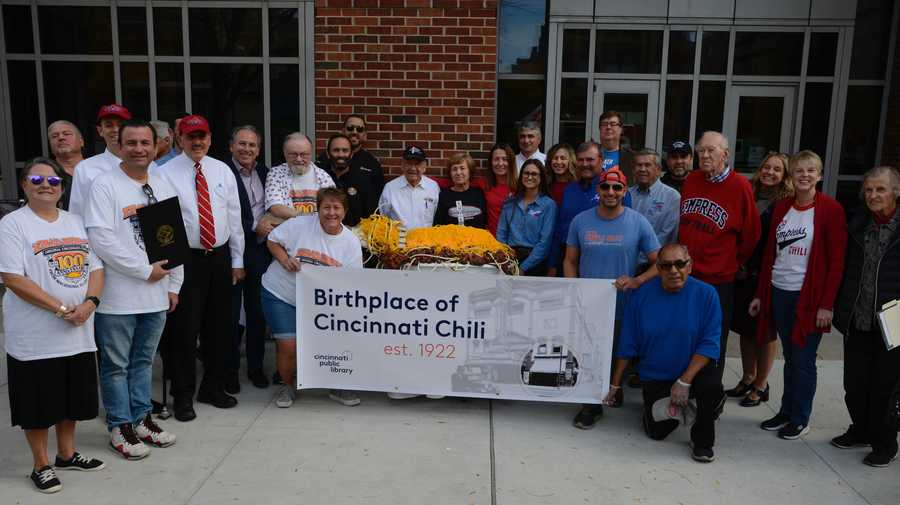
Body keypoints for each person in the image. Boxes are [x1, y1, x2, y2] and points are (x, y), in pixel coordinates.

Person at [0, 157, 106, 493]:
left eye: (53, 181)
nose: (46, 185)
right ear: (24, 185)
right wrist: (62, 309)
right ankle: (41, 464)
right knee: (37, 402)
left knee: (71, 397)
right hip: (35, 336)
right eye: (36, 179)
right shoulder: (13, 224)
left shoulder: (75, 222)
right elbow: (13, 278)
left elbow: (96, 269)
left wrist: (90, 304)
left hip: (77, 330)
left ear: (62, 187)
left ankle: (67, 453)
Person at [84, 120, 180, 459]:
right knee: (115, 365)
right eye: (132, 143)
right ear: (119, 146)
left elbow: (173, 237)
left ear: (156, 146)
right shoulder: (105, 185)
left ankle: (142, 419)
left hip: (156, 294)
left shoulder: (162, 182)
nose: (139, 148)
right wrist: (144, 270)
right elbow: (101, 238)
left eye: (145, 143)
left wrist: (174, 283)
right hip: (118, 296)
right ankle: (119, 425)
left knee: (143, 361)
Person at [749, 150, 847, 440]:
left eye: (810, 171)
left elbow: (836, 262)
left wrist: (826, 304)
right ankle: (785, 411)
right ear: (792, 176)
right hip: (779, 290)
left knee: (803, 359)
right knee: (789, 357)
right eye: (799, 171)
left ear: (819, 175)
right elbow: (770, 254)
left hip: (808, 297)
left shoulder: (830, 210)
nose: (804, 176)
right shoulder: (782, 207)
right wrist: (760, 294)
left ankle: (800, 417)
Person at [157, 114, 245, 422]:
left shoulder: (221, 169)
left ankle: (213, 386)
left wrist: (238, 260)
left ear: (210, 138)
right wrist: (171, 274)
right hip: (186, 261)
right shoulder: (164, 173)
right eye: (191, 137)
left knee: (219, 328)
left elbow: (234, 218)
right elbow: (164, 227)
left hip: (219, 258)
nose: (197, 142)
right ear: (179, 139)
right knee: (183, 331)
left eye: (202, 136)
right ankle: (182, 395)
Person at [605, 243, 723, 463]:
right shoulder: (640, 297)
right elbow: (628, 344)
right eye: (666, 266)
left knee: (711, 388)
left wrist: (684, 382)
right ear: (658, 269)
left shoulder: (707, 294)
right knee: (657, 432)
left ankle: (702, 440)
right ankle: (681, 406)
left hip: (694, 372)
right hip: (657, 373)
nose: (674, 271)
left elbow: (710, 344)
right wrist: (615, 385)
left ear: (690, 266)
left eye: (680, 264)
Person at [565, 168, 661, 428]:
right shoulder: (580, 221)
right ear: (598, 190)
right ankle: (591, 406)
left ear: (624, 191)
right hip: (589, 302)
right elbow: (570, 260)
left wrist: (637, 280)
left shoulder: (638, 222)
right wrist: (574, 290)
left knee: (619, 352)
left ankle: (612, 390)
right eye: (605, 187)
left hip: (622, 303)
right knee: (588, 353)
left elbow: (660, 262)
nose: (610, 192)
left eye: (616, 188)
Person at [261, 188, 364, 408]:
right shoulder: (300, 225)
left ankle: (337, 385)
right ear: (318, 209)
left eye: (337, 208)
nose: (331, 213)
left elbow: (351, 282)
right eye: (326, 207)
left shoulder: (351, 243)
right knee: (288, 345)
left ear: (345, 212)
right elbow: (272, 240)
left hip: (321, 303)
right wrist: (284, 259)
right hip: (282, 294)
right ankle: (287, 386)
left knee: (333, 341)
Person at [679, 131, 761, 386]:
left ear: (725, 154)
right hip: (685, 275)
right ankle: (684, 386)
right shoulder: (691, 180)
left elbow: (751, 234)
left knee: (713, 340)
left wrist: (732, 262)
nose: (704, 155)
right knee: (684, 334)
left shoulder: (740, 186)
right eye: (701, 150)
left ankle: (708, 395)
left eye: (711, 150)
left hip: (718, 279)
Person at [832, 166, 900, 467]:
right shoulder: (858, 224)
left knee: (885, 387)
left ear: (896, 192)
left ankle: (885, 443)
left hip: (894, 322)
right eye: (869, 190)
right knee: (855, 384)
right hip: (858, 317)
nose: (873, 195)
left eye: (880, 189)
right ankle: (860, 430)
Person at [727, 153, 793, 407]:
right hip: (742, 272)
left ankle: (761, 385)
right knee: (746, 328)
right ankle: (747, 377)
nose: (770, 172)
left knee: (764, 332)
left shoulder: (786, 203)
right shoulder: (749, 193)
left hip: (766, 274)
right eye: (767, 167)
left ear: (784, 175)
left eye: (777, 169)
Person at [226, 125, 271, 391]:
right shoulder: (222, 173)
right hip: (232, 251)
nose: (247, 149)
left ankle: (255, 367)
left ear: (259, 149)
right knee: (230, 315)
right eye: (242, 144)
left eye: (252, 145)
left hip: (259, 252)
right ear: (232, 146)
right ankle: (229, 371)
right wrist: (254, 226)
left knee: (257, 312)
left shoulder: (266, 173)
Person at [68, 104, 132, 215]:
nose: (115, 130)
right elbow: (77, 212)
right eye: (109, 125)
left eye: (121, 125)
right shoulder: (85, 168)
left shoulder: (148, 165)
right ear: (100, 130)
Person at [497, 159, 557, 276]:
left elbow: (544, 242)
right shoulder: (510, 203)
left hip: (535, 263)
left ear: (541, 178)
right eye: (526, 173)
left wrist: (523, 267)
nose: (529, 177)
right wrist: (506, 260)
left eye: (534, 174)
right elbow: (501, 234)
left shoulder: (548, 205)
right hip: (509, 259)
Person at [266, 133, 336, 220]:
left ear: (310, 154)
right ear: (285, 153)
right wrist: (308, 218)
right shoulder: (276, 173)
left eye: (303, 154)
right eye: (293, 154)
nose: (299, 159)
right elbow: (275, 207)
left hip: (316, 230)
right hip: (286, 230)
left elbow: (331, 207)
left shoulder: (323, 176)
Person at [628, 148, 680, 253]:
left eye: (647, 165)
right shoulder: (626, 194)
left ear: (658, 169)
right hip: (627, 260)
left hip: (655, 262)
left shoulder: (672, 197)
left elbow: (667, 235)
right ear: (633, 170)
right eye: (639, 165)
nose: (642, 169)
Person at [318, 114, 385, 196]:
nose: (354, 132)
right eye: (350, 128)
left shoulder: (372, 163)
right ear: (343, 131)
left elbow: (379, 196)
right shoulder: (324, 159)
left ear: (364, 135)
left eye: (359, 129)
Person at [320, 133, 377, 226]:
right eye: (336, 150)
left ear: (351, 154)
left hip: (355, 236)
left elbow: (372, 216)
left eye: (345, 150)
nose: (341, 154)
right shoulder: (320, 177)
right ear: (328, 153)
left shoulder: (363, 180)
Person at [378, 145, 440, 230]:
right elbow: (383, 218)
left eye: (417, 164)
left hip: (425, 241)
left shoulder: (433, 187)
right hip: (398, 241)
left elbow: (437, 216)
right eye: (409, 163)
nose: (413, 168)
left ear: (424, 166)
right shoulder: (390, 188)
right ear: (402, 165)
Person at [434, 152, 486, 228]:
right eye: (454, 169)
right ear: (450, 173)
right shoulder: (444, 195)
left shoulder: (479, 194)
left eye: (462, 168)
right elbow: (438, 224)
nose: (458, 173)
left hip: (477, 238)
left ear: (470, 171)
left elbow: (485, 220)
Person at [47, 120, 85, 210]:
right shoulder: (45, 176)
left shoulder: (98, 170)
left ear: (81, 141)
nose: (61, 138)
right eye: (54, 136)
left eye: (67, 134)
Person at [484, 143, 517, 236]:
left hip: (514, 241)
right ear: (491, 162)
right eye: (496, 159)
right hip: (492, 240)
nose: (500, 163)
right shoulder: (484, 184)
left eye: (504, 159)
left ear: (511, 162)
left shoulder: (520, 186)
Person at [597, 110, 634, 182]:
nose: (608, 127)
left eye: (613, 124)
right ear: (600, 129)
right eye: (604, 124)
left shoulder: (631, 157)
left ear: (621, 129)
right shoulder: (590, 154)